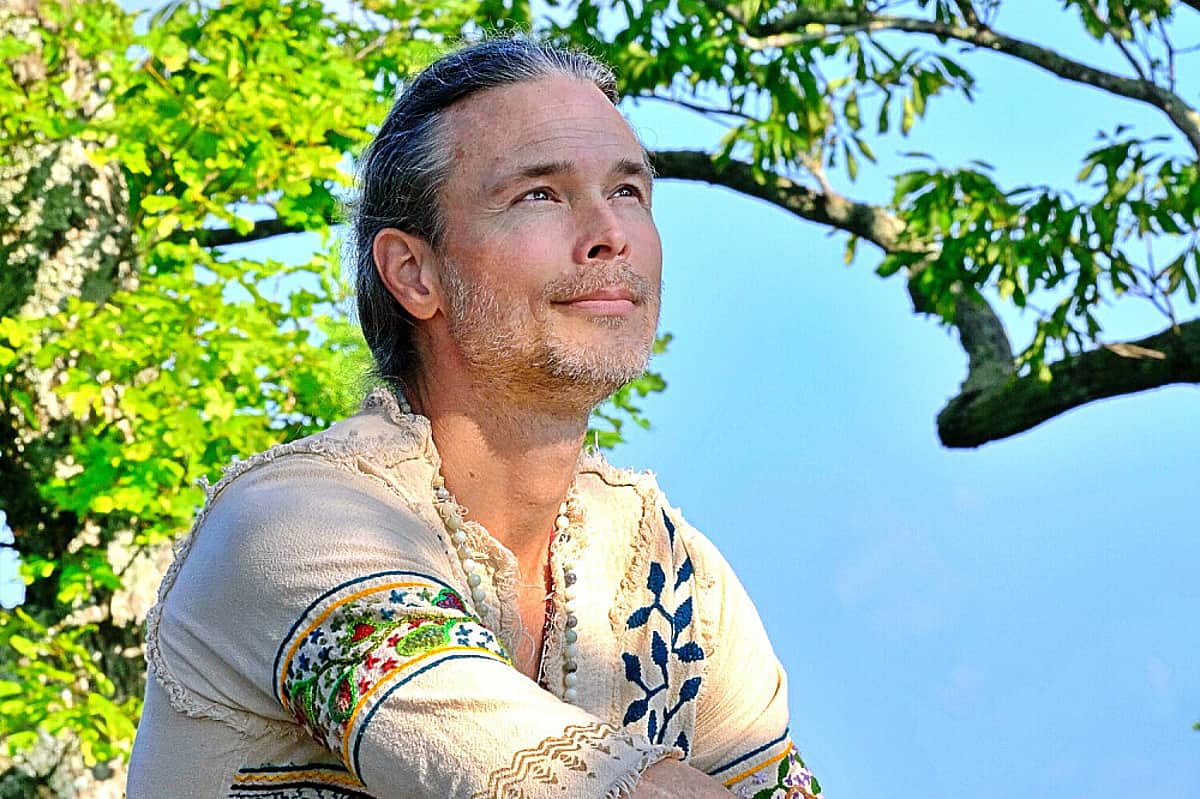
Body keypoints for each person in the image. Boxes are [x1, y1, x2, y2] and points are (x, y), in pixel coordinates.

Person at [127, 37, 823, 799]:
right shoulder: (296, 523)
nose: (609, 233)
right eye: (539, 194)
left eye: (628, 191)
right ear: (414, 274)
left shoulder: (681, 586)